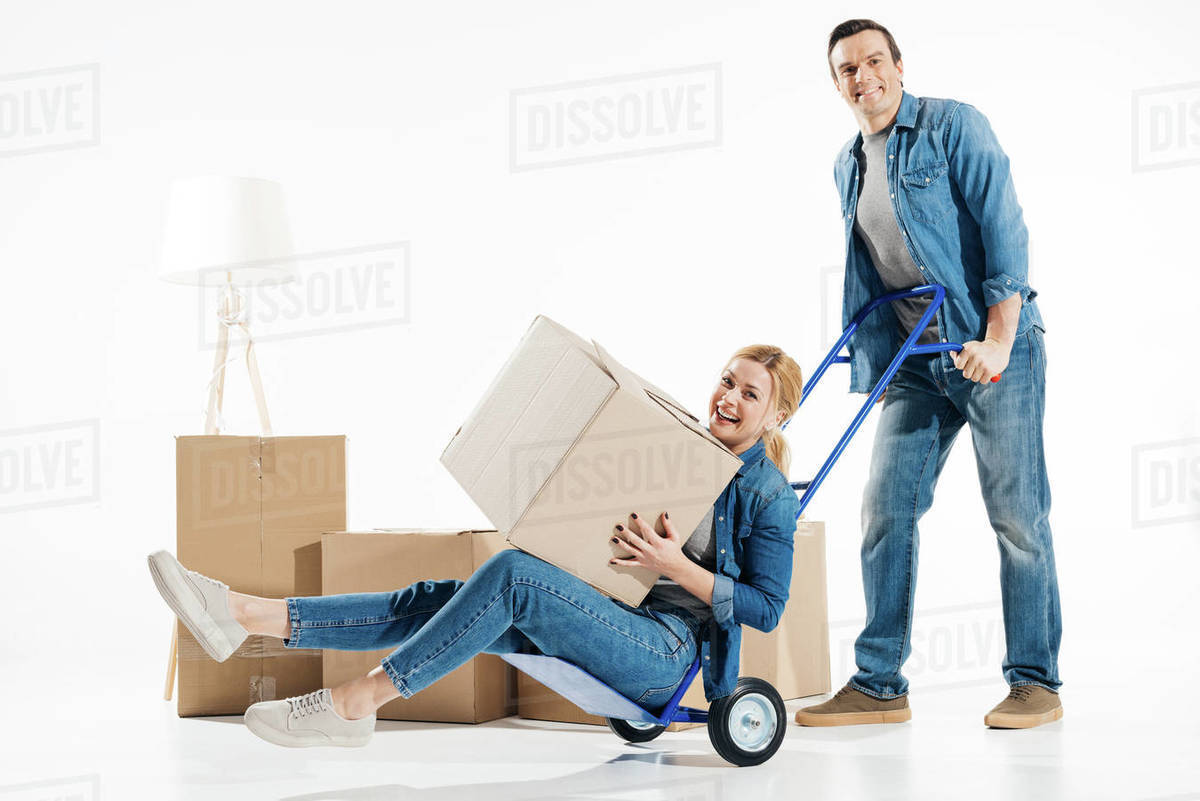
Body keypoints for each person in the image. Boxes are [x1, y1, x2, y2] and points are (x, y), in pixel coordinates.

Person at [148, 345, 804, 747]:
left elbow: (765, 608)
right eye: (727, 379)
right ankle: (244, 615)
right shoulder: (683, 446)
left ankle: (357, 702)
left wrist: (675, 566)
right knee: (440, 598)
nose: (729, 397)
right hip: (616, 614)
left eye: (751, 393)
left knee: (512, 575)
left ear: (775, 417)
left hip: (666, 650)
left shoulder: (769, 495)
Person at [792, 19, 1063, 731]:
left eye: (874, 61)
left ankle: (1035, 680)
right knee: (885, 508)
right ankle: (880, 684)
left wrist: (999, 340)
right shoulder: (845, 165)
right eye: (847, 69)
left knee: (1016, 516)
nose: (863, 78)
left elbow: (1006, 231)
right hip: (919, 360)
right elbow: (877, 267)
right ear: (836, 81)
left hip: (994, 348)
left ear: (900, 66)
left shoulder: (953, 128)